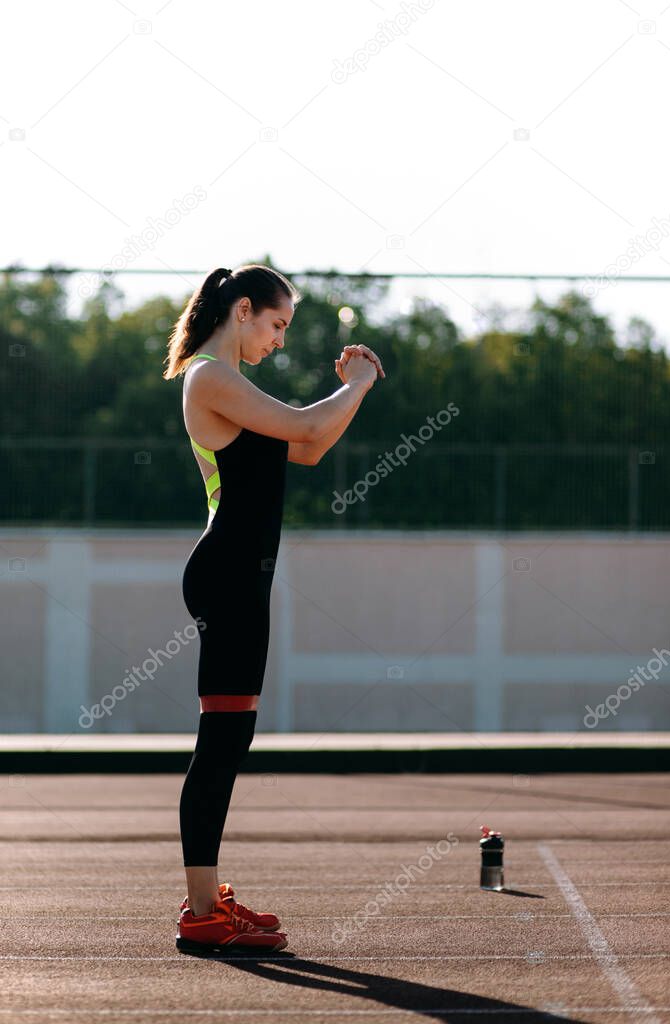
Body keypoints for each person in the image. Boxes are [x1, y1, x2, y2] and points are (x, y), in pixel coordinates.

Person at [162, 264, 384, 954]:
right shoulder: (208, 377)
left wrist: (354, 393)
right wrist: (358, 383)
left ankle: (206, 897)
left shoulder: (234, 385)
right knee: (220, 742)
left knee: (230, 740)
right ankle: (201, 913)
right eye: (277, 325)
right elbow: (304, 421)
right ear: (244, 311)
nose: (280, 341)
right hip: (226, 574)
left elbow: (311, 446)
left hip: (240, 576)